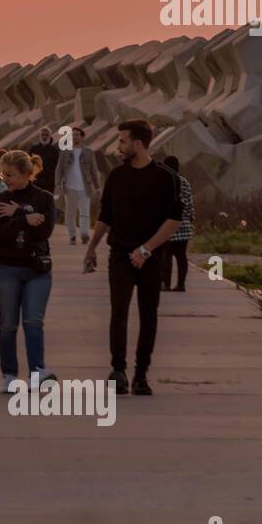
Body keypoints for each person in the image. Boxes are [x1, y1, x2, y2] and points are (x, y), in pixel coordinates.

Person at [83, 119, 182, 396]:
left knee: (148, 315)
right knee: (119, 313)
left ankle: (141, 374)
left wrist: (146, 249)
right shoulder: (117, 176)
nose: (119, 147)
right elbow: (105, 217)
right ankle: (118, 370)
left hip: (152, 259)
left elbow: (173, 220)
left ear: (138, 143)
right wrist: (91, 249)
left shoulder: (165, 178)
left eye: (123, 141)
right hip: (120, 256)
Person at [0, 150, 57, 392]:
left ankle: (37, 371)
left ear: (28, 173)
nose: (6, 179)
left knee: (33, 321)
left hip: (37, 269)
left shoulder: (45, 198)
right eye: (3, 174)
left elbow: (44, 231)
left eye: (12, 175)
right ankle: (9, 375)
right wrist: (25, 218)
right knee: (7, 324)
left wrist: (17, 213)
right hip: (6, 269)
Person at [53, 126, 99, 245]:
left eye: (77, 135)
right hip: (69, 188)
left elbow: (94, 170)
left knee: (84, 213)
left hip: (85, 187)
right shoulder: (65, 152)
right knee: (70, 213)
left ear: (82, 137)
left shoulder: (88, 152)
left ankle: (84, 234)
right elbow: (59, 170)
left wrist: (97, 187)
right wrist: (58, 184)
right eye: (73, 135)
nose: (75, 137)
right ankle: (72, 235)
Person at [159, 156, 194, 291]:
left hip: (169, 225)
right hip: (184, 225)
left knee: (166, 256)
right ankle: (181, 284)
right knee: (181, 256)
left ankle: (166, 283)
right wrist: (190, 220)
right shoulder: (185, 182)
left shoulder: (165, 181)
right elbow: (190, 204)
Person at [29, 127, 59, 193]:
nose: (44, 137)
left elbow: (58, 167)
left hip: (49, 182)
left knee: (48, 201)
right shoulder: (34, 149)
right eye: (43, 135)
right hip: (36, 181)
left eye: (47, 135)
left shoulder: (54, 150)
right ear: (39, 136)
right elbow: (29, 164)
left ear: (50, 136)